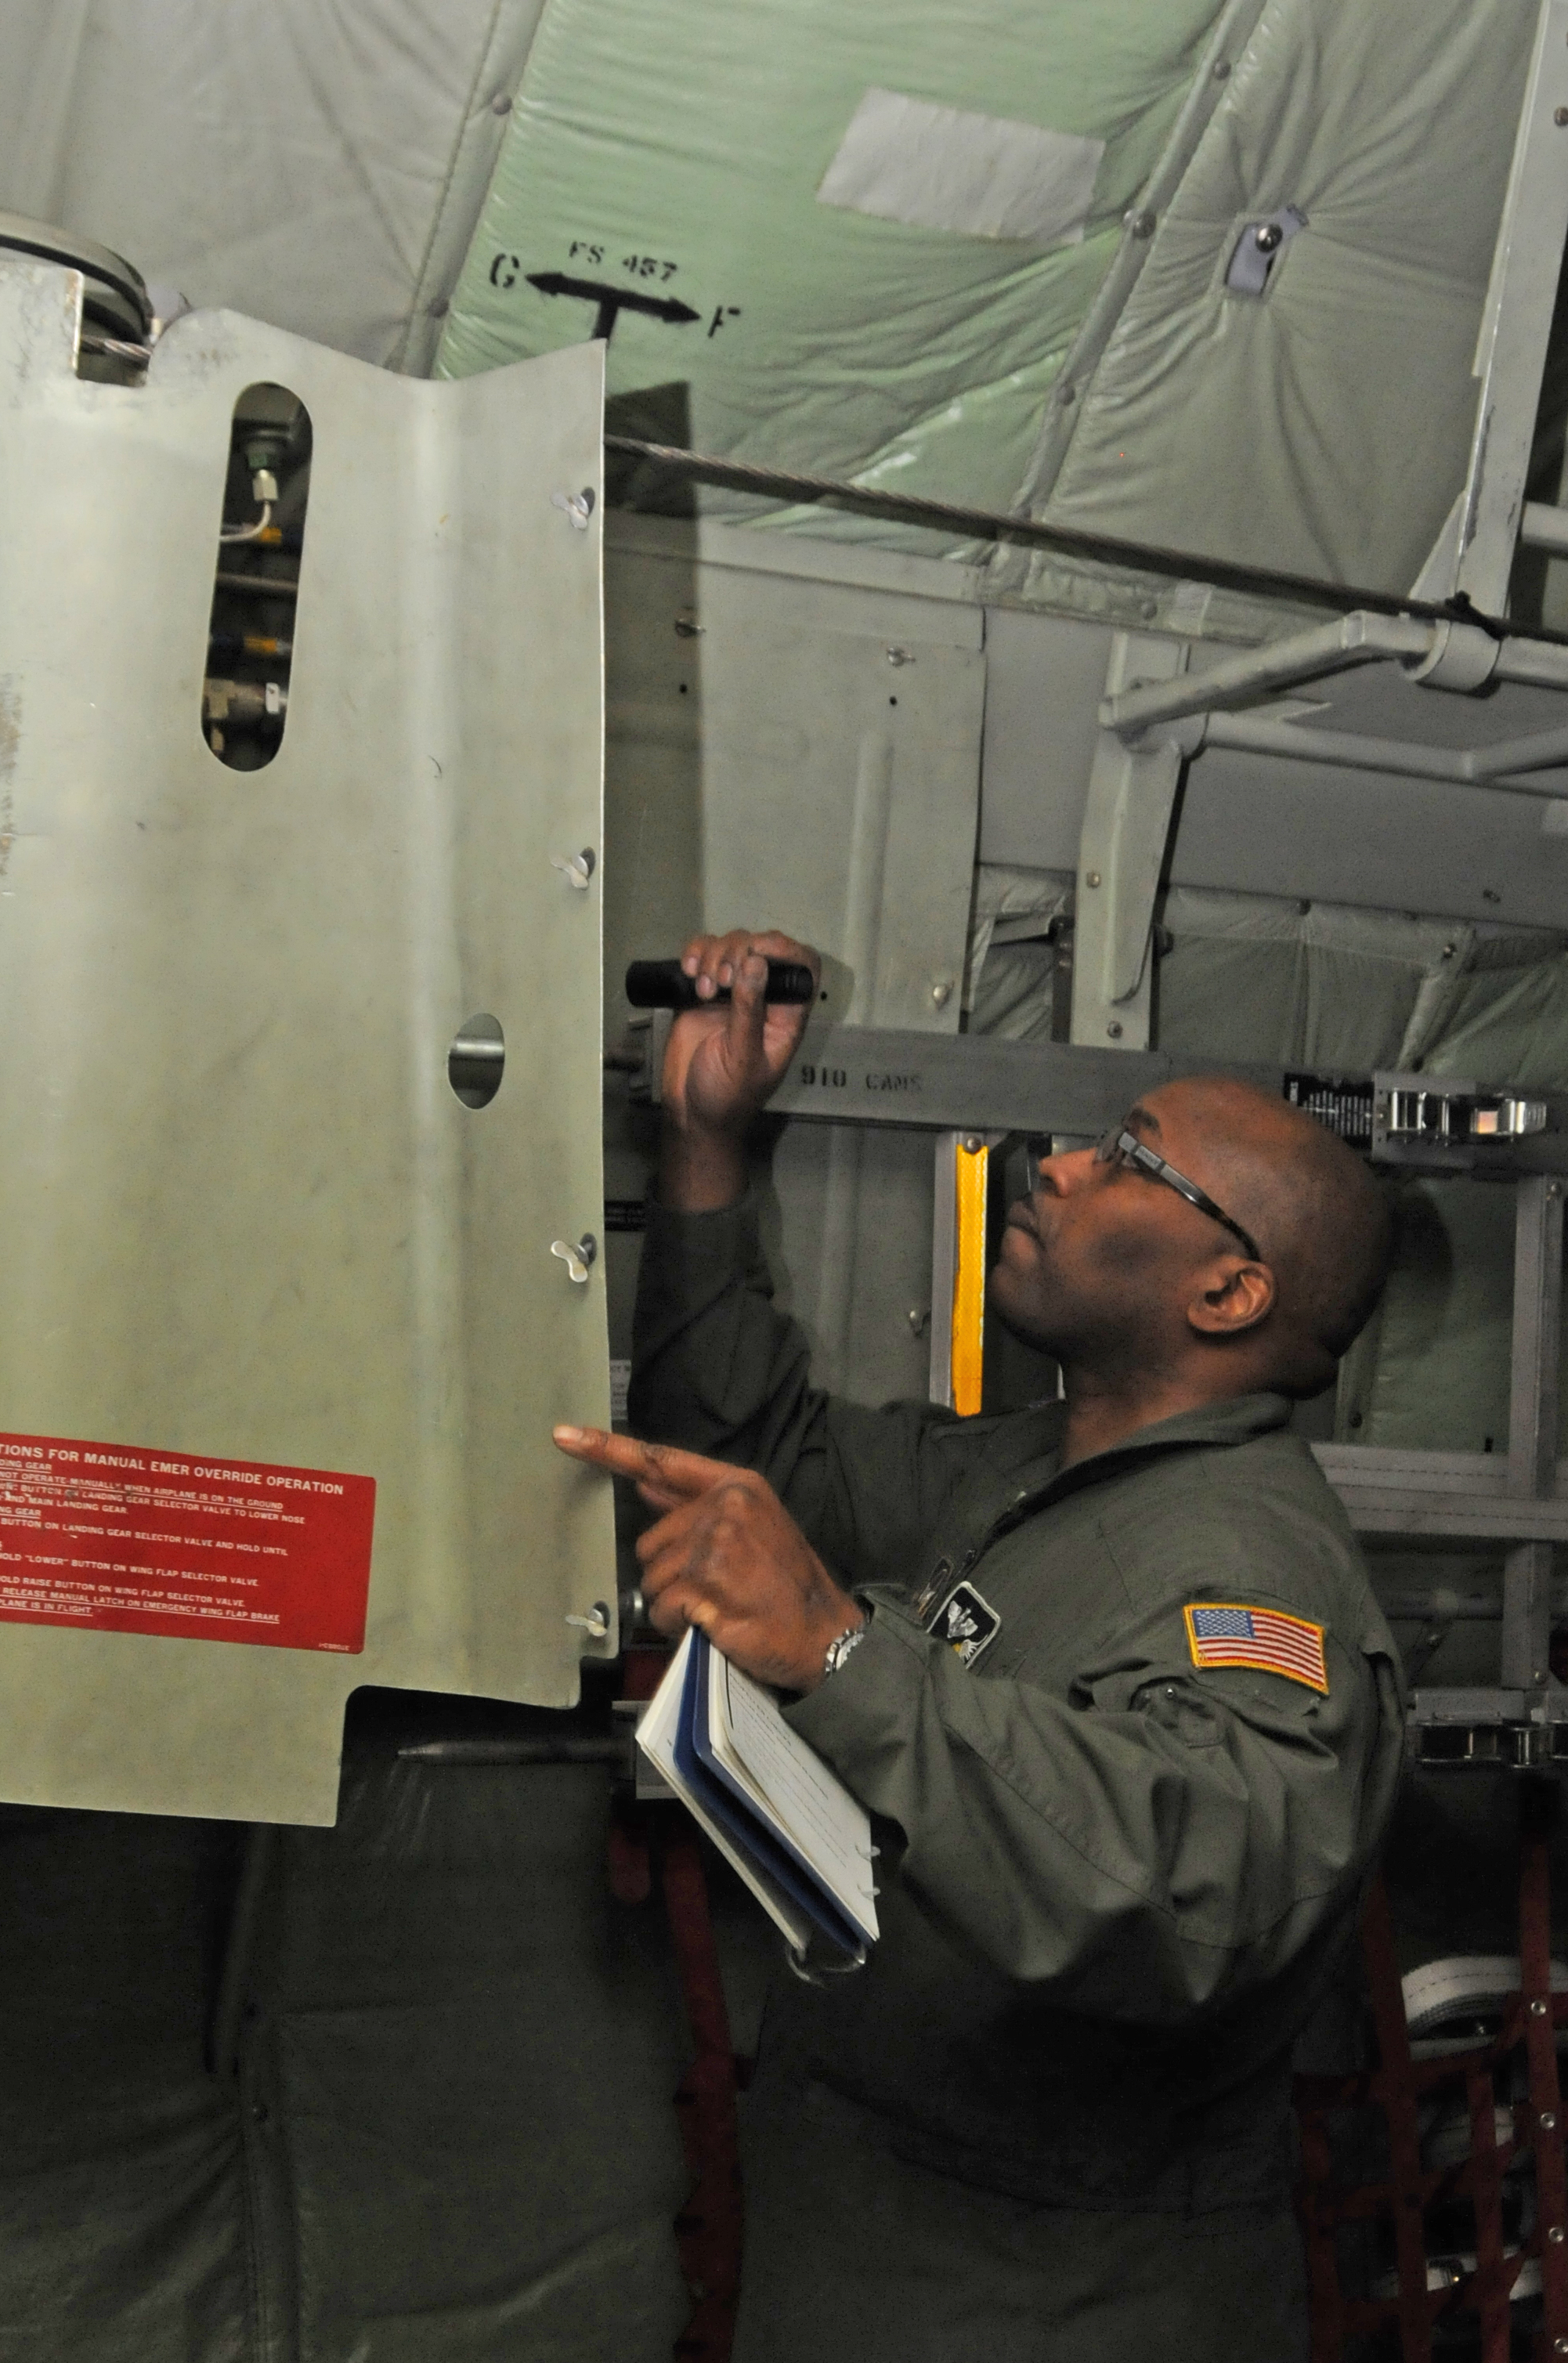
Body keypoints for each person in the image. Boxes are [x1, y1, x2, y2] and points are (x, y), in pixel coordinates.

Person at [555, 927, 1404, 2363]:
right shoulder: (1026, 1467)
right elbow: (745, 1461)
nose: (1058, 1167)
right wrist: (705, 1149)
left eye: (1129, 1158)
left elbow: (1184, 1895)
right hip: (872, 2256)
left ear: (1231, 1293)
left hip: (1045, 2307)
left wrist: (841, 1650)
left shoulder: (1259, 1573)